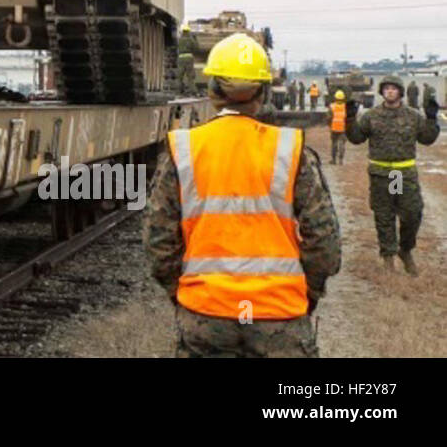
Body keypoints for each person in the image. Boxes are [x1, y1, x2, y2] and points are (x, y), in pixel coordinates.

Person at [144, 33, 341, 357]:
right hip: (280, 314)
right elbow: (324, 240)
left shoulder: (185, 149)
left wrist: (181, 294)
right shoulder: (289, 150)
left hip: (206, 311)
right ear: (262, 93)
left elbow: (158, 241)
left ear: (212, 91)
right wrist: (310, 292)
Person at [346, 74, 440, 275]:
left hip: (402, 175)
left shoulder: (412, 116)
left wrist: (432, 119)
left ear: (400, 92)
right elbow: (356, 138)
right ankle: (388, 257)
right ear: (382, 92)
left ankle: (405, 250)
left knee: (411, 214)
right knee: (384, 216)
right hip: (382, 175)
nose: (390, 91)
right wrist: (350, 119)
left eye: (393, 88)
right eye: (386, 88)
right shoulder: (372, 116)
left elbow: (427, 139)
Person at [329, 90, 347, 165]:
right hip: (343, 128)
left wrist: (330, 125)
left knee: (334, 144)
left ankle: (333, 160)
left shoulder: (332, 106)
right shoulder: (346, 107)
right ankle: (341, 160)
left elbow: (328, 117)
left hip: (334, 128)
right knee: (342, 144)